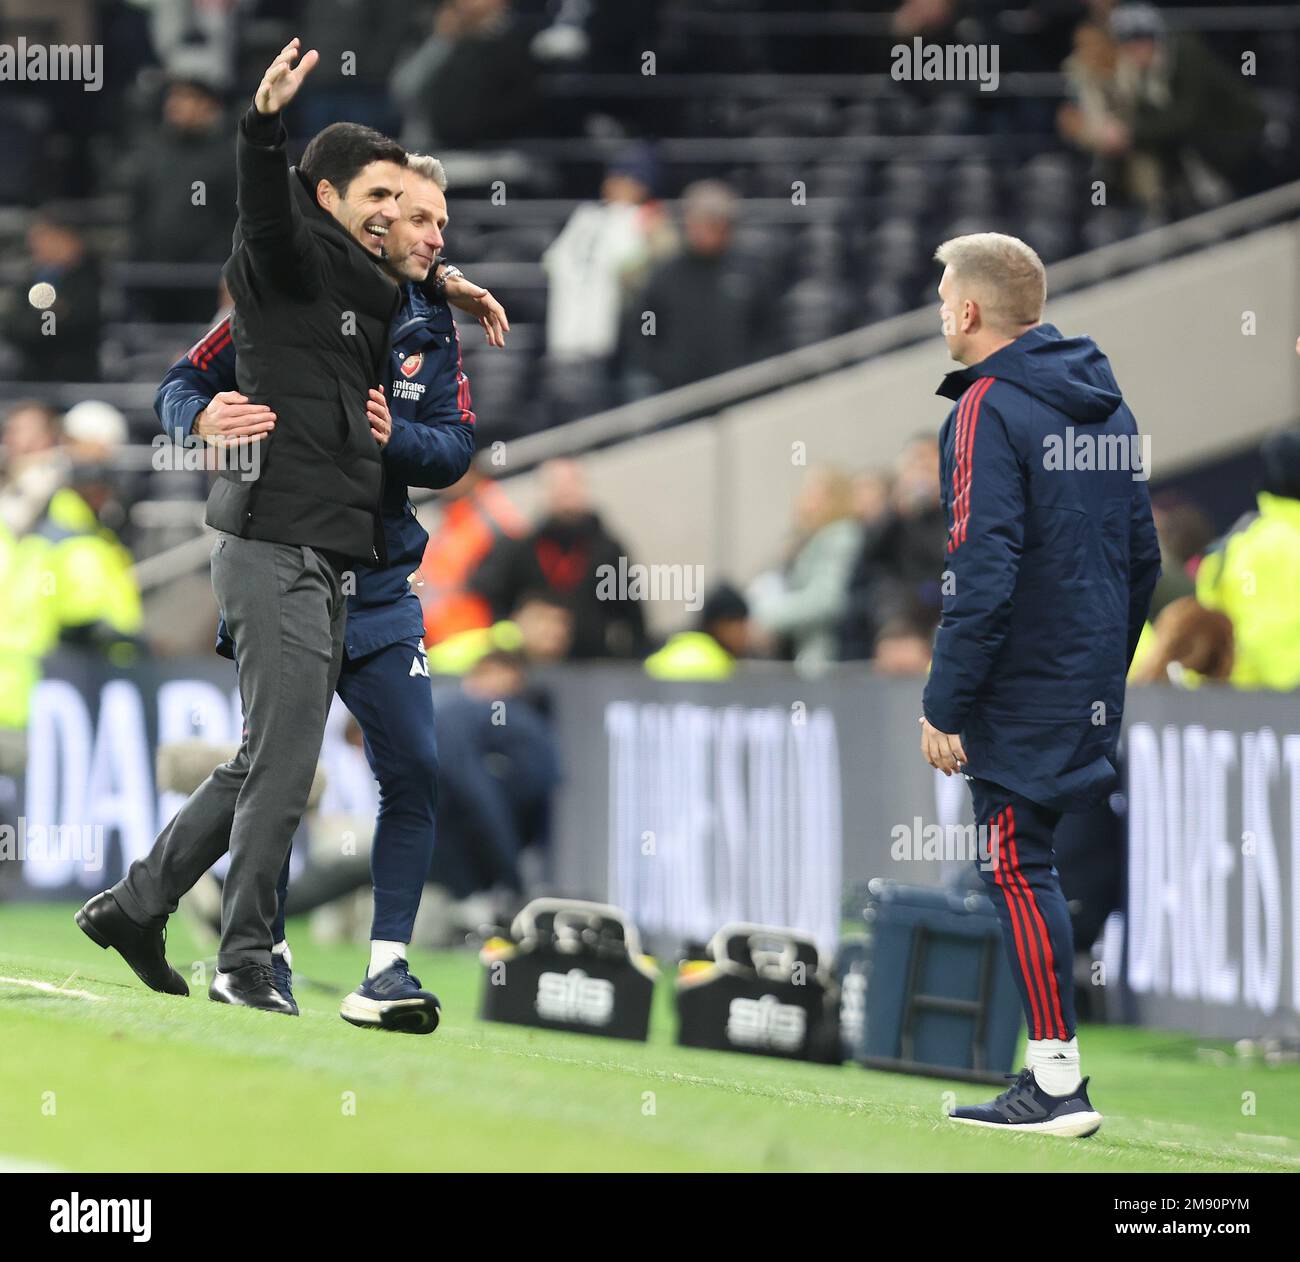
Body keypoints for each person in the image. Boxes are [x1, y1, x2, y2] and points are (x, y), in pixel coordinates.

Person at [77, 39, 407, 1016]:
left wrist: (445, 289)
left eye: (408, 203)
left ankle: (139, 904)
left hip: (328, 549)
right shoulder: (287, 259)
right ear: (328, 197)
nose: (394, 216)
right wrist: (263, 128)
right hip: (272, 540)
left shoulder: (376, 289)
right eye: (376, 197)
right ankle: (247, 956)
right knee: (288, 762)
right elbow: (189, 369)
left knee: (266, 758)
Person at [149, 158, 507, 1030]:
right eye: (407, 214)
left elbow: (456, 449)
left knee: (413, 767)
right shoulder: (291, 294)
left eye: (438, 224)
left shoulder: (430, 315)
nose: (428, 235)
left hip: (381, 583)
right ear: (363, 218)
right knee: (276, 769)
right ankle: (232, 932)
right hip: (288, 559)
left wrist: (397, 441)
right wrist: (198, 419)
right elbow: (181, 381)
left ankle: (386, 968)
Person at [919, 232, 1160, 1136]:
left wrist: (946, 699)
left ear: (973, 310)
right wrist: (1104, 663)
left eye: (946, 295)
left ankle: (1056, 1081)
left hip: (1020, 678)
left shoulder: (987, 406)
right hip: (1084, 674)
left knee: (1017, 863)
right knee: (1033, 861)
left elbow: (981, 563)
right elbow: (1145, 556)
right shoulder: (1110, 405)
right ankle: (1051, 1074)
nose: (941, 309)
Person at [1194, 429, 1300, 691]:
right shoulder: (1281, 543)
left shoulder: (1236, 545)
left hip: (1244, 714)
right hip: (1277, 712)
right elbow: (1273, 641)